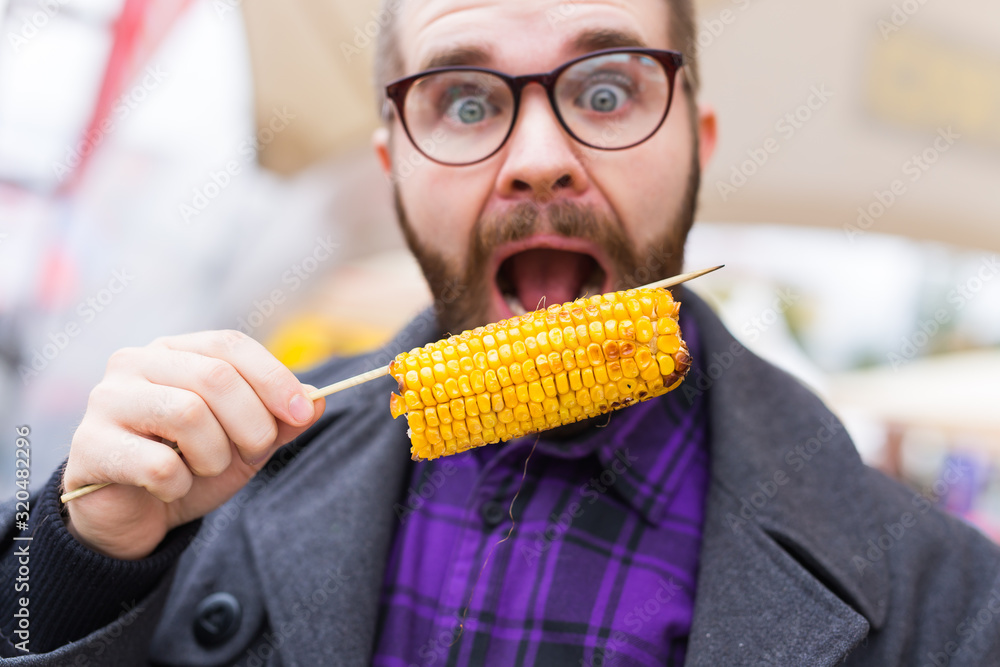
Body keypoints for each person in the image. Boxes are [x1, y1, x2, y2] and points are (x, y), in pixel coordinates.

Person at [2, 0, 999, 664]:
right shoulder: (224, 467)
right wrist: (80, 555)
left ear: (697, 147)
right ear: (391, 162)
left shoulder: (947, 601)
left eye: (606, 90)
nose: (536, 157)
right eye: (465, 100)